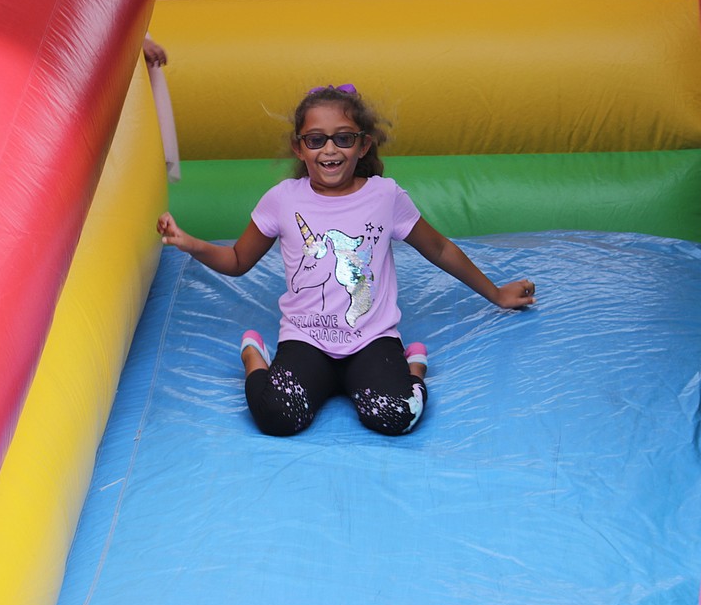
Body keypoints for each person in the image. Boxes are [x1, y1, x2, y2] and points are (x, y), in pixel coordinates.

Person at [156, 84, 535, 437]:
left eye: (344, 138)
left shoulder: (385, 196)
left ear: (363, 145)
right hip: (307, 338)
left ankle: (414, 365)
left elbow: (438, 248)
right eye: (316, 140)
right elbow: (238, 260)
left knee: (396, 417)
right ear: (299, 147)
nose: (330, 150)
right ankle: (255, 355)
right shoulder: (283, 199)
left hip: (371, 339)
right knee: (276, 417)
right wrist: (190, 243)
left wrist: (497, 294)